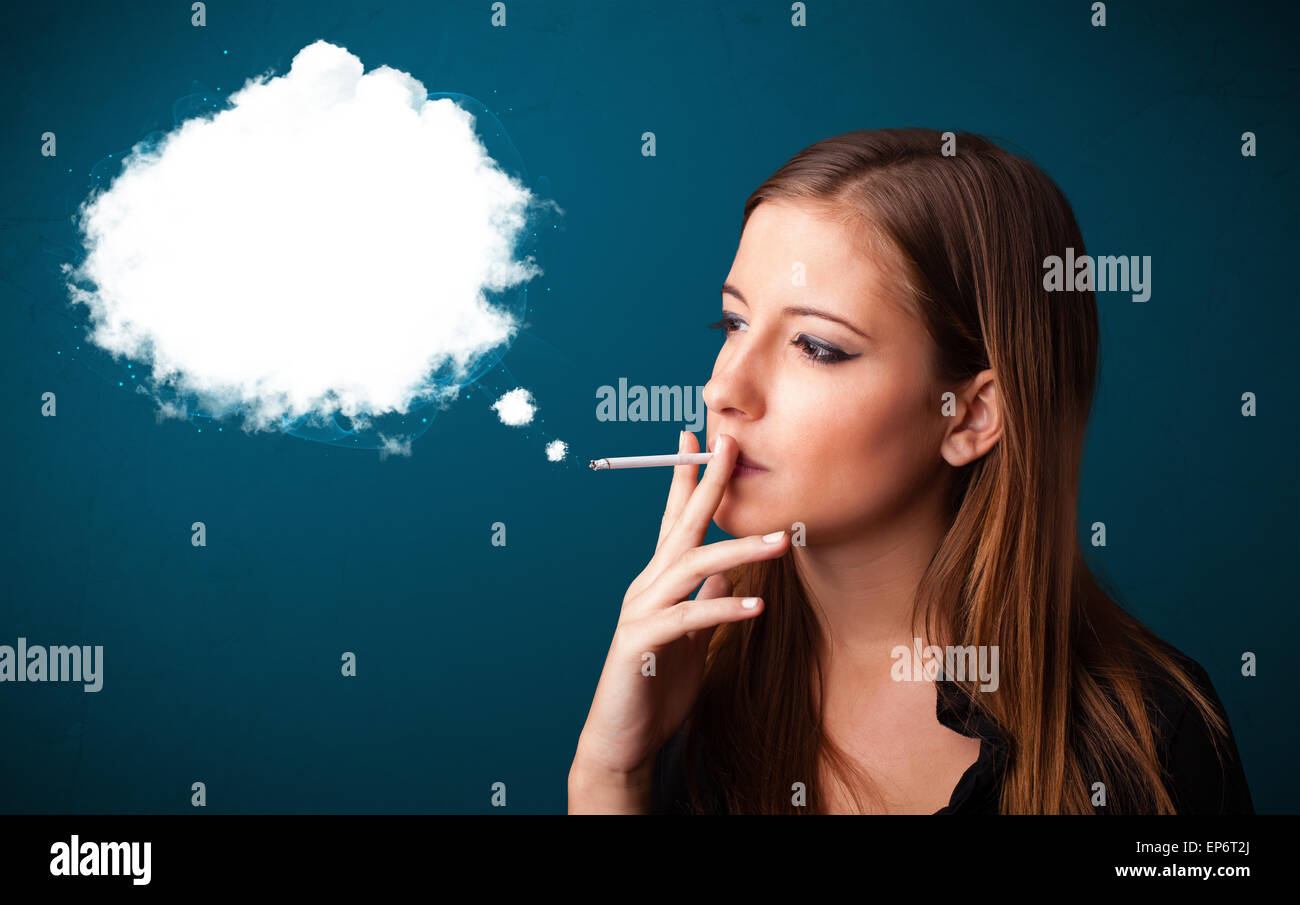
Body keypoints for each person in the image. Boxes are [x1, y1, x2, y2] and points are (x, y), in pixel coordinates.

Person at [568, 128, 1253, 814]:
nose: (724, 391)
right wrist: (608, 776)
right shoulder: (680, 685)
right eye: (734, 322)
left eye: (817, 345)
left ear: (971, 416)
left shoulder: (1151, 745)